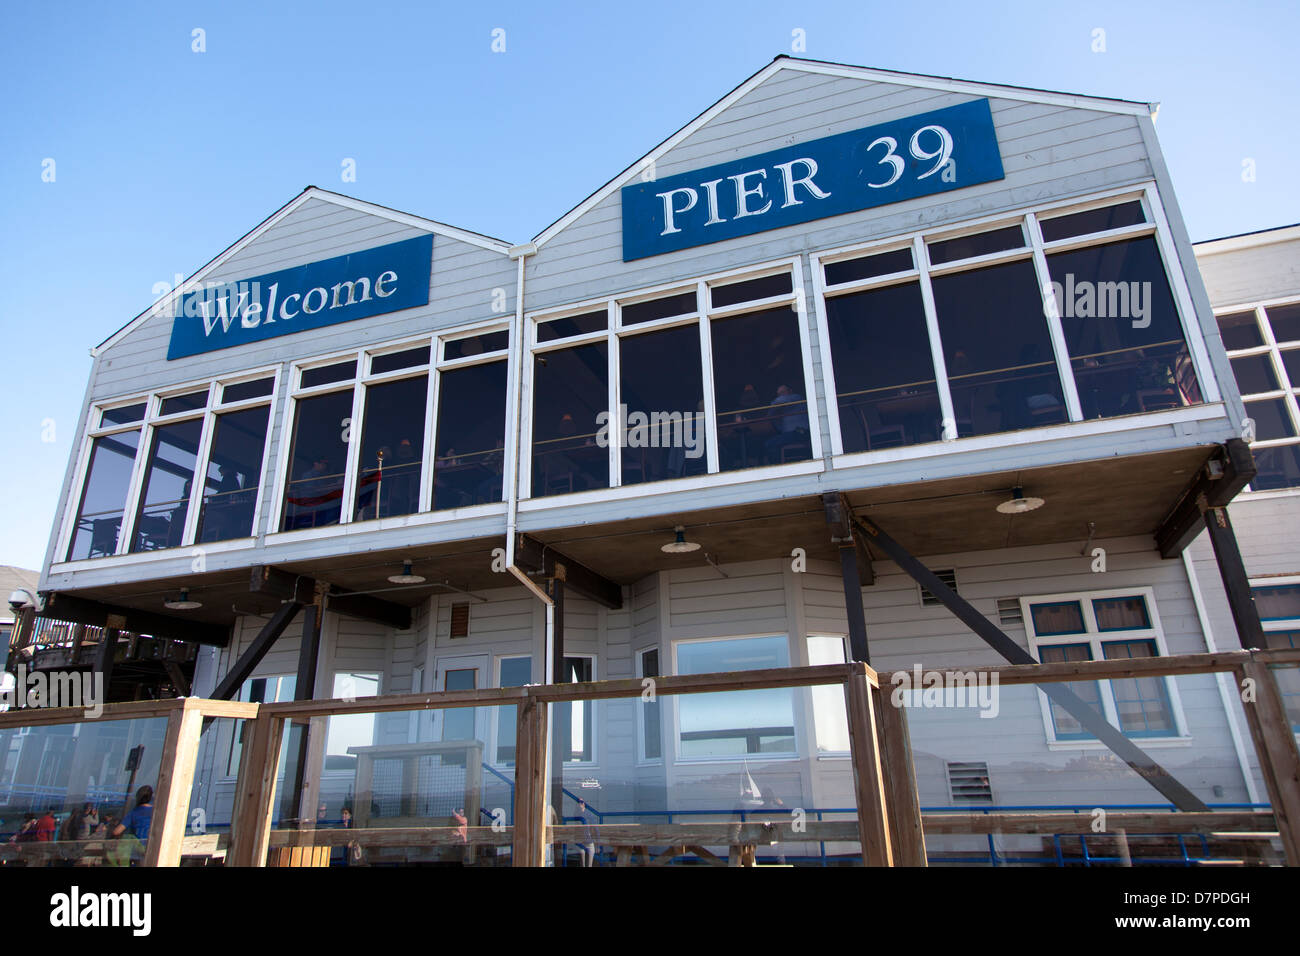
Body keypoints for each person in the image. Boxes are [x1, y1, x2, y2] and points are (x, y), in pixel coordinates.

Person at [763, 384, 808, 463]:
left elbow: (780, 401)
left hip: (801, 432)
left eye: (783, 392)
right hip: (791, 434)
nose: (781, 396)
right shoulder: (784, 406)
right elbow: (771, 416)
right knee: (768, 442)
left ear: (790, 391)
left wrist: (772, 409)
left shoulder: (796, 397)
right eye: (779, 394)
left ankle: (777, 466)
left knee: (770, 444)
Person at [575, 799, 597, 867]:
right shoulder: (576, 815)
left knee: (589, 865)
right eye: (578, 802)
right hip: (580, 842)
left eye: (581, 802)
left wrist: (597, 844)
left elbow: (595, 829)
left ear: (584, 803)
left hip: (589, 842)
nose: (580, 804)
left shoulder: (589, 814)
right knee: (582, 863)